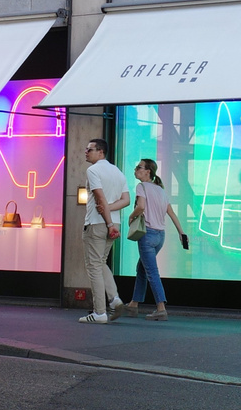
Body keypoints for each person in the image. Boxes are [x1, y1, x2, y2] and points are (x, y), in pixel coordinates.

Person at [122, 158, 186, 321]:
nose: (136, 170)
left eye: (139, 167)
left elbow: (141, 206)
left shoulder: (141, 187)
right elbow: (171, 213)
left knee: (151, 271)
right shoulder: (161, 190)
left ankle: (161, 308)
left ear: (147, 171)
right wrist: (181, 233)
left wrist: (131, 216)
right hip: (160, 236)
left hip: (147, 235)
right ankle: (134, 304)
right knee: (142, 268)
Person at [79, 138, 129, 324]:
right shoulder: (117, 172)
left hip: (97, 223)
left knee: (93, 267)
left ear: (100, 152)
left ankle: (99, 312)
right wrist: (111, 217)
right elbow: (126, 200)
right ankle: (115, 300)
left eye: (89, 149)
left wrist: (107, 221)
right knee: (100, 262)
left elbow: (99, 197)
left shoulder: (93, 170)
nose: (86, 152)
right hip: (115, 222)